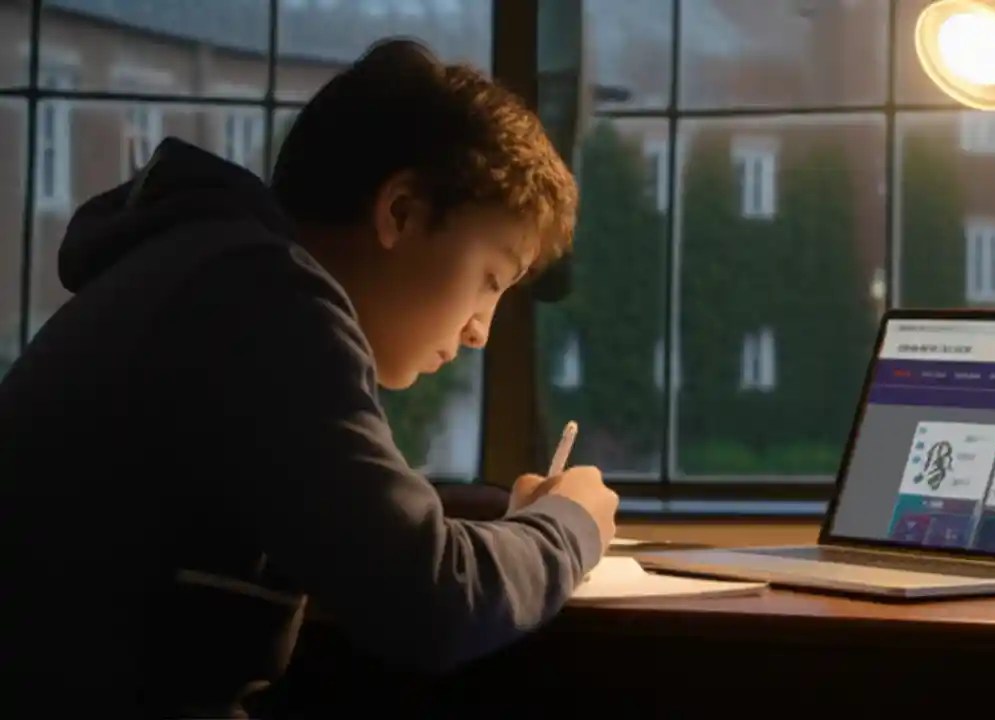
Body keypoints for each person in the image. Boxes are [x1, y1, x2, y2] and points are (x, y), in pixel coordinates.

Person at [0, 39, 617, 716]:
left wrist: (482, 512)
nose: (480, 330)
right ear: (401, 212)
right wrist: (570, 524)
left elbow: (328, 511)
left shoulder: (211, 272)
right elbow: (430, 600)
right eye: (490, 280)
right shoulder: (268, 303)